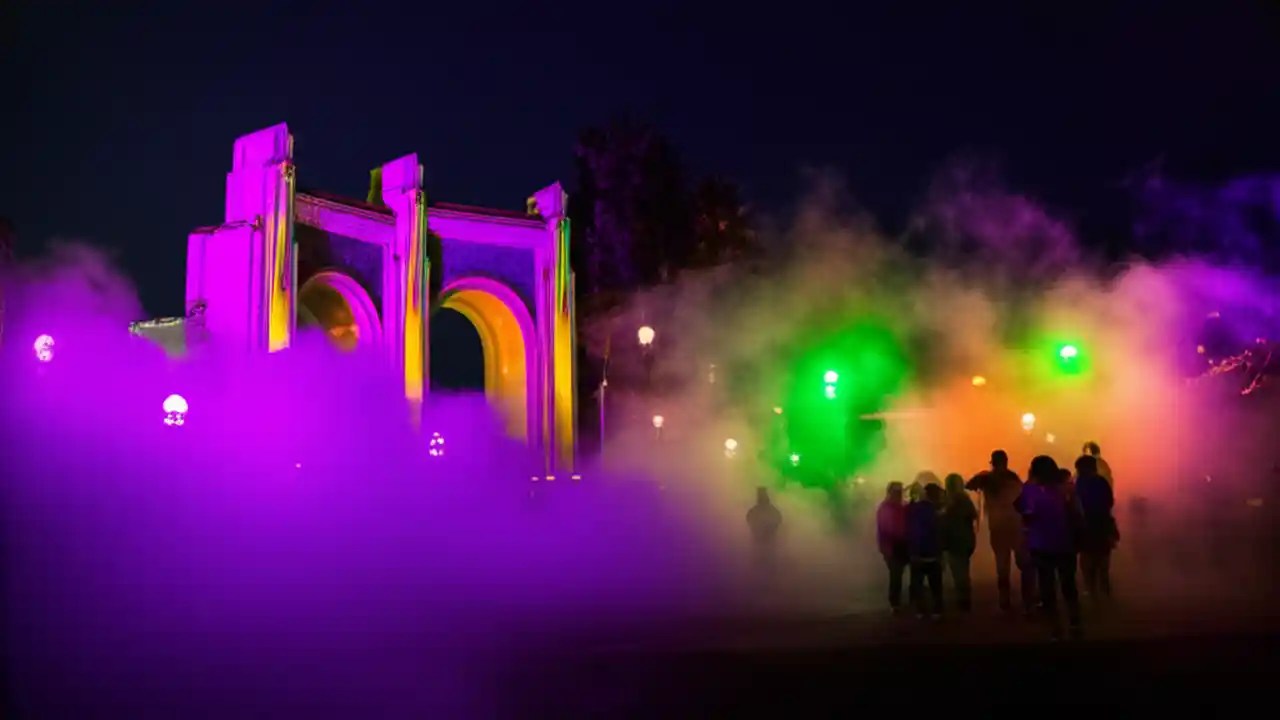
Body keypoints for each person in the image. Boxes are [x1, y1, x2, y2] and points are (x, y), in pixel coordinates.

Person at [1017, 455, 1084, 640]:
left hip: (1041, 544)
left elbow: (1025, 513)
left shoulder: (1030, 490)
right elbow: (1078, 514)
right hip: (1065, 543)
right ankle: (1075, 622)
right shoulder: (1066, 489)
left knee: (1047, 588)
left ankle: (1055, 628)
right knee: (1068, 585)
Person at [967, 450, 1036, 614]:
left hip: (998, 527)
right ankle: (1028, 600)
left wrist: (983, 475)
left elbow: (968, 485)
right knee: (1024, 563)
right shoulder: (1012, 477)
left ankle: (1005, 601)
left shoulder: (986, 479)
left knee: (1002, 564)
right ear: (1006, 461)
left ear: (993, 462)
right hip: (1015, 525)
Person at [1075, 454, 1117, 600]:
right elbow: (1110, 502)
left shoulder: (1079, 483)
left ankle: (1091, 589)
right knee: (1102, 560)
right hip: (1102, 525)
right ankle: (1104, 590)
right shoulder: (1101, 482)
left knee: (1087, 560)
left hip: (1086, 526)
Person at [907, 480, 945, 619]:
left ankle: (920, 610)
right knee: (935, 585)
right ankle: (937, 610)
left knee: (918, 584)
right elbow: (939, 533)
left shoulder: (914, 509)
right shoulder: (936, 512)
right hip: (932, 553)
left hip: (916, 552)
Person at [941, 472, 978, 611]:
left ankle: (963, 601)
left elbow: (943, 520)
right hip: (966, 540)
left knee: (958, 571)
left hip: (954, 542)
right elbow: (973, 516)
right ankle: (965, 600)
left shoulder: (948, 501)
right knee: (963, 570)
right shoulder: (965, 500)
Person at [875, 482, 908, 613]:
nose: (899, 494)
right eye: (896, 492)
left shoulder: (902, 506)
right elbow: (885, 529)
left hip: (902, 544)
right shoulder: (885, 508)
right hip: (893, 545)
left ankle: (901, 601)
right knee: (896, 575)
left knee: (901, 574)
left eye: (900, 492)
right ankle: (895, 603)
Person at [746, 487, 783, 575]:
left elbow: (778, 519)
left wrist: (770, 528)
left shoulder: (755, 510)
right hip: (761, 541)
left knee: (766, 560)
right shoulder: (758, 510)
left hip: (766, 541)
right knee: (762, 560)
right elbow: (779, 518)